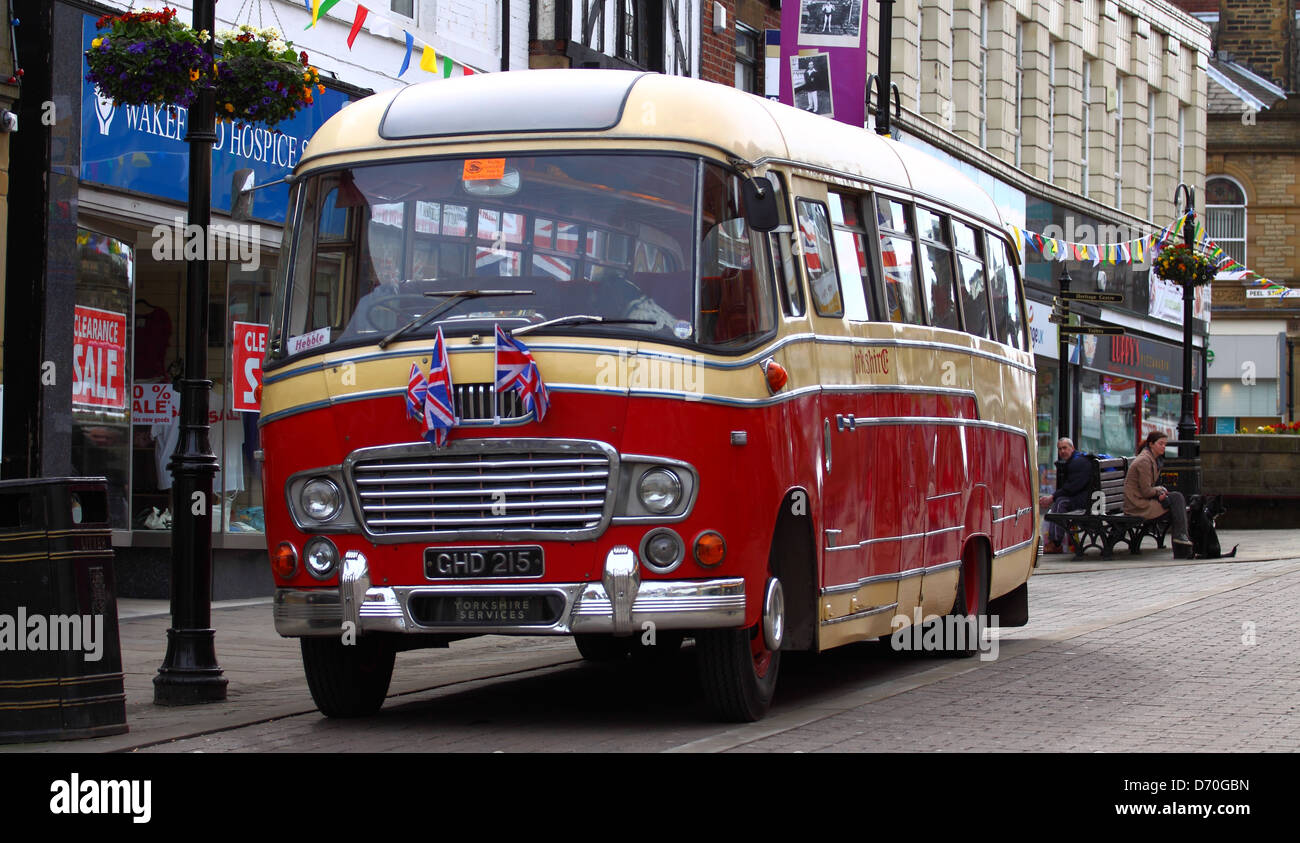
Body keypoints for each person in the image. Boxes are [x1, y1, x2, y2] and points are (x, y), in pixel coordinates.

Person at [1123, 431, 1192, 553]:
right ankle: (1181, 541)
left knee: (1176, 498)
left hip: (1144, 500)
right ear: (1151, 444)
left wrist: (1159, 493)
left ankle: (1181, 539)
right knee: (1176, 502)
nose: (1163, 447)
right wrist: (1159, 491)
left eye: (1165, 444)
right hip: (1137, 505)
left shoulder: (1153, 459)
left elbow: (1149, 489)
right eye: (1160, 444)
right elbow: (1146, 491)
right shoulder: (1144, 461)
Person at [1038, 437, 1090, 553]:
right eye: (1059, 449)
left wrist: (1052, 497)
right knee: (1060, 500)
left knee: (1060, 502)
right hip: (1090, 498)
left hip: (1087, 501)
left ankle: (1055, 543)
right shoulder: (1076, 460)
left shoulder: (1077, 463)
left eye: (1065, 448)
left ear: (1072, 448)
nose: (1062, 451)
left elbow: (1071, 488)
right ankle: (1055, 541)